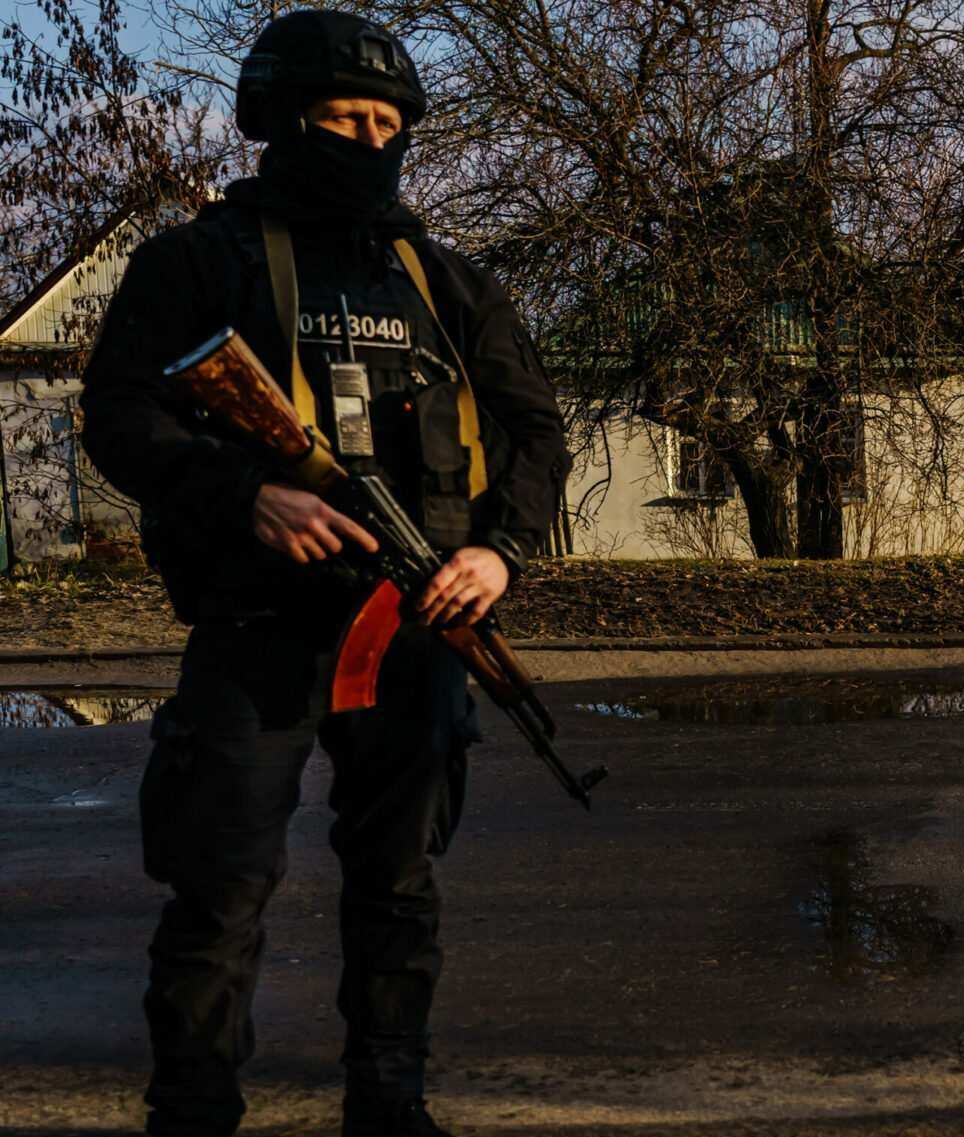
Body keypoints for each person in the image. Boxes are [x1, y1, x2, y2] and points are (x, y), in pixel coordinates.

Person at [79, 11, 568, 1136]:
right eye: (349, 117)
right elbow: (117, 414)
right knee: (221, 888)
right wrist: (244, 492)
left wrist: (496, 552)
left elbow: (536, 434)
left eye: (390, 121)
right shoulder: (200, 260)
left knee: (399, 883)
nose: (372, 136)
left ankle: (388, 1102)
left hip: (417, 627)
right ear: (282, 116)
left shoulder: (443, 279)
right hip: (259, 628)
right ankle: (193, 1110)